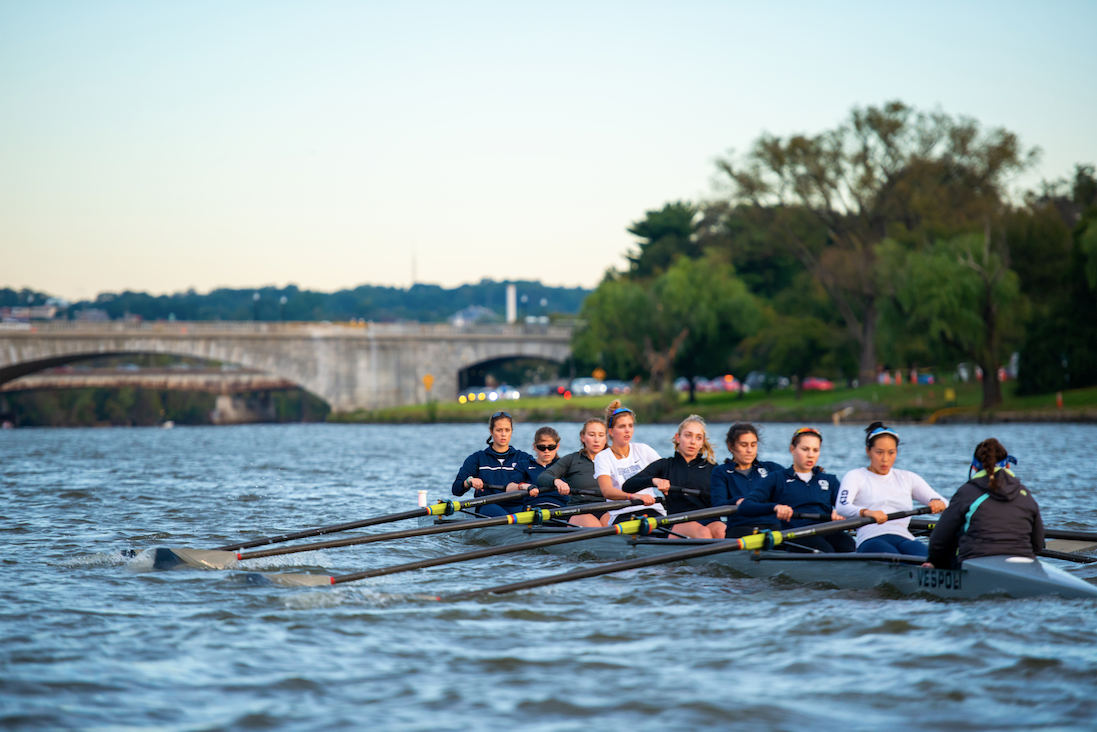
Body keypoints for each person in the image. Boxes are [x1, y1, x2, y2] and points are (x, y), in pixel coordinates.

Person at [925, 438, 1044, 569]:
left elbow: (938, 540)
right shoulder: (1025, 494)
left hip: (976, 563)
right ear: (1008, 466)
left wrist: (934, 563)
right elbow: (1038, 544)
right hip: (1023, 562)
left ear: (974, 468)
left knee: (955, 535)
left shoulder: (967, 492)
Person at [834, 422, 948, 556]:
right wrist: (867, 512)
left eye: (891, 453)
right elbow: (842, 506)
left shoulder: (908, 477)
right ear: (868, 451)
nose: (885, 459)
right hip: (871, 539)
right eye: (879, 452)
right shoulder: (856, 476)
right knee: (896, 559)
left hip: (905, 537)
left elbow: (947, 506)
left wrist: (938, 503)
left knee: (929, 559)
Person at [737, 427, 853, 553]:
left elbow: (849, 507)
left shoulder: (830, 480)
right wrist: (774, 507)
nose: (810, 455)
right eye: (805, 449)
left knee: (848, 545)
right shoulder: (777, 478)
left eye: (815, 450)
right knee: (825, 550)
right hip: (796, 534)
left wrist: (842, 511)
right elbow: (745, 506)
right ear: (792, 449)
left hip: (828, 530)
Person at [623, 414, 725, 538]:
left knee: (722, 532)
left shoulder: (713, 468)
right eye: (688, 435)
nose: (692, 441)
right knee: (702, 533)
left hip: (710, 519)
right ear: (677, 437)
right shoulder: (665, 465)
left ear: (702, 443)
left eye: (698, 438)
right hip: (679, 521)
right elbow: (628, 485)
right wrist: (655, 481)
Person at [592, 400, 664, 526]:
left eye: (630, 426)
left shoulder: (643, 449)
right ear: (611, 432)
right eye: (622, 426)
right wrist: (634, 496)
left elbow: (667, 472)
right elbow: (607, 491)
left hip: (653, 510)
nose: (627, 430)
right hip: (622, 513)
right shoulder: (602, 457)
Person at [451, 411, 534, 517]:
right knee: (502, 515)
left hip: (517, 505)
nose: (503, 434)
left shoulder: (524, 458)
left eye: (507, 430)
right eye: (499, 430)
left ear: (511, 432)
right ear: (491, 431)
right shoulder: (477, 458)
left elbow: (539, 480)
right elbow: (456, 490)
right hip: (488, 505)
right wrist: (469, 481)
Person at [710, 422, 784, 538]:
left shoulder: (771, 469)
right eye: (744, 445)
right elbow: (718, 504)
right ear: (731, 446)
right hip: (741, 526)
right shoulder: (721, 472)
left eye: (753, 445)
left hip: (773, 525)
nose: (749, 450)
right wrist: (737, 501)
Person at [537, 418, 608, 527]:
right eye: (592, 435)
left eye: (601, 435)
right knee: (596, 529)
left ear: (606, 438)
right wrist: (556, 481)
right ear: (583, 437)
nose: (596, 440)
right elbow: (543, 476)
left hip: (609, 508)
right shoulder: (571, 459)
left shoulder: (613, 460)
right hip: (580, 510)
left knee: (614, 529)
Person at [508, 427, 567, 509]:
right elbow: (509, 488)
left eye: (551, 447)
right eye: (542, 447)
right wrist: (523, 486)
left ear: (557, 446)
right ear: (535, 447)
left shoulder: (566, 465)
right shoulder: (524, 465)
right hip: (534, 509)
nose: (546, 451)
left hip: (561, 510)